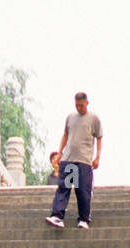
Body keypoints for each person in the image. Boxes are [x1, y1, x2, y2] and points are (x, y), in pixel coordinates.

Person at [45, 92, 102, 230]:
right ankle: (58, 216)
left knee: (82, 190)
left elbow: (99, 137)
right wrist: (60, 153)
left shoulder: (93, 119)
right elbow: (65, 135)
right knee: (64, 188)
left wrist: (97, 157)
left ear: (87, 103)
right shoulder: (70, 117)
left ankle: (83, 219)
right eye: (77, 105)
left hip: (83, 161)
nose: (79, 108)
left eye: (81, 106)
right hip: (69, 159)